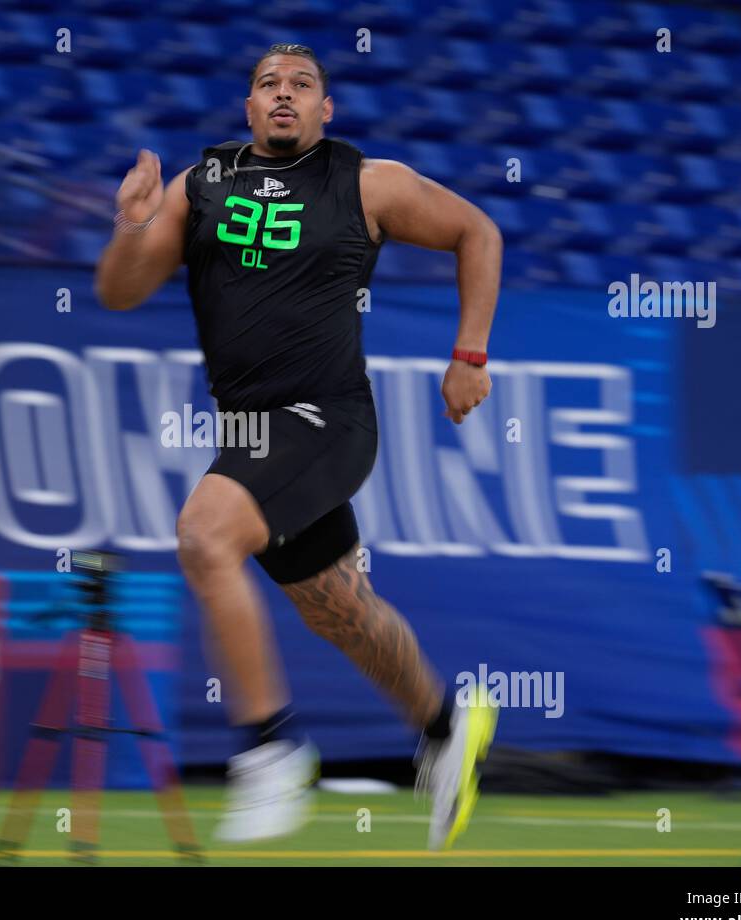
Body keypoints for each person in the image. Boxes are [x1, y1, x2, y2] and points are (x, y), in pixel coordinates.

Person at [94, 43, 503, 849]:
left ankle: (271, 751)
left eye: (302, 84)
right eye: (268, 84)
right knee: (338, 609)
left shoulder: (366, 182)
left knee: (204, 535)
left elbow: (477, 232)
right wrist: (133, 224)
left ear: (326, 108)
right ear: (248, 107)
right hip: (250, 432)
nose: (284, 94)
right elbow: (118, 291)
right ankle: (446, 726)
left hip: (329, 419)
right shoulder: (203, 184)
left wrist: (470, 355)